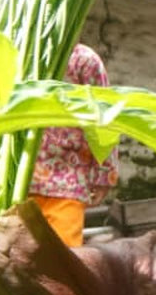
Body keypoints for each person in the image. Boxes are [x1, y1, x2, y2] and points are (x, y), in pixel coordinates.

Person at [29, 42, 119, 246]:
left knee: (63, 261)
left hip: (67, 181)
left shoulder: (83, 59)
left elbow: (103, 119)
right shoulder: (26, 53)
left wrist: (104, 174)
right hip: (19, 180)